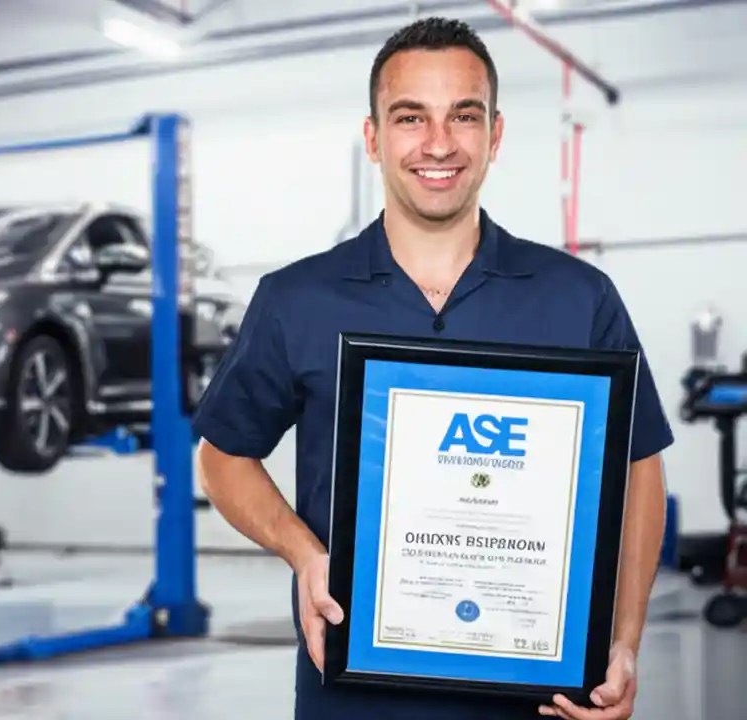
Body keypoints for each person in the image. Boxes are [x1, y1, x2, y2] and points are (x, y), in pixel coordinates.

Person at [192, 16, 672, 720]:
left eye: (464, 116)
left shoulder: (579, 297)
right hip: (353, 701)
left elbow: (640, 468)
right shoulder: (296, 300)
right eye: (411, 117)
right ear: (374, 139)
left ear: (495, 136)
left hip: (540, 699)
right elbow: (222, 455)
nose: (439, 143)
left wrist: (623, 641)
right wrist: (304, 553)